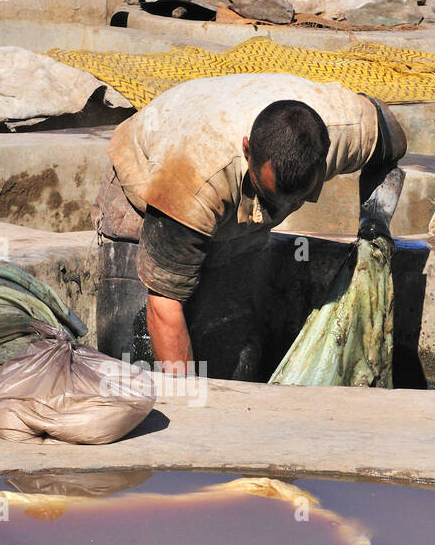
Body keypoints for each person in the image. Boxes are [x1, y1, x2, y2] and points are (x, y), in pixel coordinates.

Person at [95, 74, 406, 374]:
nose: (283, 207)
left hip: (234, 222)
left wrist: (374, 231)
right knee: (135, 363)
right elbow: (163, 305)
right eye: (272, 196)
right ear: (247, 149)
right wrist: (189, 405)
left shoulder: (351, 128)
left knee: (232, 363)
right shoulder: (192, 178)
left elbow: (392, 142)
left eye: (294, 197)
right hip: (149, 192)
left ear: (326, 157)